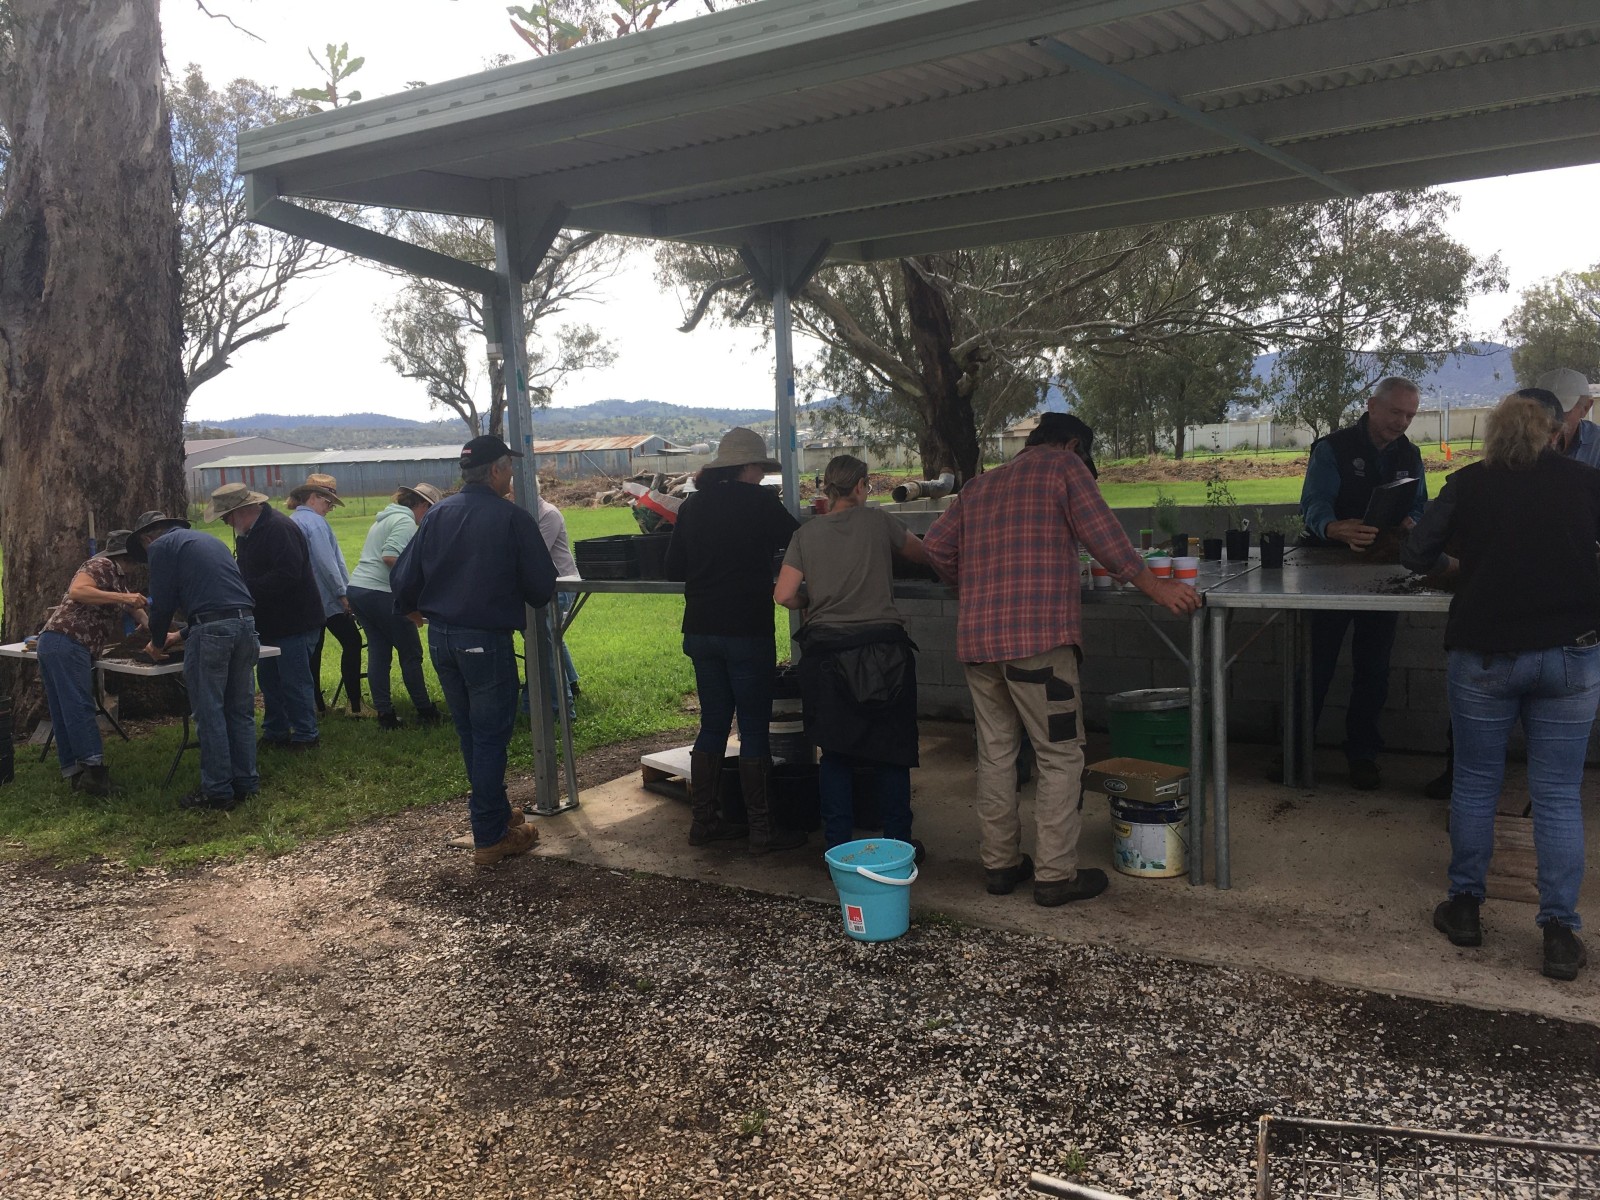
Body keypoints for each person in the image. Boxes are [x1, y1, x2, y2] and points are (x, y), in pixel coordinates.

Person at [923, 413, 1202, 907]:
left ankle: (1000, 866)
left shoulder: (979, 486)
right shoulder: (1064, 468)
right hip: (1039, 645)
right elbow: (1106, 538)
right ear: (1073, 444)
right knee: (1059, 754)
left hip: (979, 645)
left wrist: (972, 588)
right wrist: (1158, 586)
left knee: (996, 755)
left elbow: (937, 547)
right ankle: (1054, 875)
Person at [1402, 389, 1598, 982]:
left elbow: (1416, 552)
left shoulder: (1468, 483)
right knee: (1560, 795)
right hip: (1572, 654)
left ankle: (1465, 908)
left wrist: (1461, 570)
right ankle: (1560, 933)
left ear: (1492, 434)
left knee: (1477, 782)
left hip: (1485, 654)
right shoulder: (1586, 482)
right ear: (1554, 432)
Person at [390, 435, 557, 867]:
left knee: (470, 733)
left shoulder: (437, 513)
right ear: (499, 470)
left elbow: (403, 579)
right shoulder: (512, 518)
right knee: (489, 737)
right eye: (509, 469)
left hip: (441, 638)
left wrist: (413, 610)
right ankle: (490, 835)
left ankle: (496, 815)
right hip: (485, 641)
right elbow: (541, 588)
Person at [775, 455, 930, 859]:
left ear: (826, 488)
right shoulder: (879, 522)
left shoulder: (807, 534)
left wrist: (813, 598)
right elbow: (922, 553)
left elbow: (784, 595)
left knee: (837, 754)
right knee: (892, 752)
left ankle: (838, 850)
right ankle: (899, 845)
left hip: (828, 658)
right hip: (885, 654)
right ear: (862, 486)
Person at [665, 427, 802, 853]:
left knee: (713, 724)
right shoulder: (761, 503)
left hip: (701, 629)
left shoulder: (693, 505)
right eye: (760, 467)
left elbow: (673, 568)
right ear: (747, 467)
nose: (762, 475)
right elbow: (800, 542)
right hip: (747, 630)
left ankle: (704, 822)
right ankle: (762, 829)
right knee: (755, 728)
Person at [1298, 376, 1428, 791]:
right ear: (1372, 406)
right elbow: (1313, 503)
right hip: (1327, 569)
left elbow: (1422, 504)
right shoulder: (1332, 448)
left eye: (1410, 415)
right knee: (1315, 665)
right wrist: (1334, 527)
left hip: (1384, 573)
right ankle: (1296, 751)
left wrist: (1414, 521)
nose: (1403, 422)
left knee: (1374, 669)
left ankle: (1363, 756)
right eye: (1396, 412)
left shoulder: (1411, 454)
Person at [132, 508, 261, 811]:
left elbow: (162, 603)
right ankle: (246, 783)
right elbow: (222, 597)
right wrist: (185, 633)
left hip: (213, 633)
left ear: (148, 538)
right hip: (245, 625)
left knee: (210, 712)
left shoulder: (161, 548)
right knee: (240, 710)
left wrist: (157, 640)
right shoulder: (207, 541)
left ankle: (217, 791)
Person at [207, 482, 324, 751]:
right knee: (270, 680)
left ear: (242, 510)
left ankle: (307, 734)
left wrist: (245, 591)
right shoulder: (248, 533)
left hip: (295, 620)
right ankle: (276, 731)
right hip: (269, 622)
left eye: (226, 517)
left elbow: (288, 574)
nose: (225, 523)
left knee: (294, 681)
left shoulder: (278, 529)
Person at [35, 529, 147, 795]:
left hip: (55, 642)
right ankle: (95, 774)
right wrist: (123, 598)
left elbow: (136, 608)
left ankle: (76, 774)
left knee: (64, 710)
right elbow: (78, 591)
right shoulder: (102, 564)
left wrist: (153, 626)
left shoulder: (117, 579)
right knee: (79, 707)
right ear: (128, 556)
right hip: (68, 641)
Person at [347, 482, 444, 730]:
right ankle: (425, 710)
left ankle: (385, 714)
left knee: (379, 651)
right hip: (381, 593)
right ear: (422, 505)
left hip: (359, 589)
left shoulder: (384, 518)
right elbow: (391, 557)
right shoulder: (405, 522)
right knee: (411, 653)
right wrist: (412, 592)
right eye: (430, 511)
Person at [287, 476, 363, 716]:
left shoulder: (292, 520)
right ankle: (355, 704)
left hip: (304, 601)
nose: (330, 508)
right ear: (313, 498)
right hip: (326, 600)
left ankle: (315, 706)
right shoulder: (316, 523)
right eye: (328, 502)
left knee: (314, 651)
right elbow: (326, 563)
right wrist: (343, 595)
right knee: (352, 641)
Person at [537, 495, 582, 711]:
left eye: (512, 493)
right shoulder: (536, 513)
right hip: (552, 585)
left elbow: (536, 553)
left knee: (547, 638)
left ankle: (563, 704)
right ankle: (572, 684)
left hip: (562, 585)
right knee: (554, 635)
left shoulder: (548, 514)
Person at [1535, 368, 1600, 468]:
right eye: (1544, 410)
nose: (1551, 418)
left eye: (1561, 410)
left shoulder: (1596, 443)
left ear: (1586, 408)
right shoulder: (1518, 441)